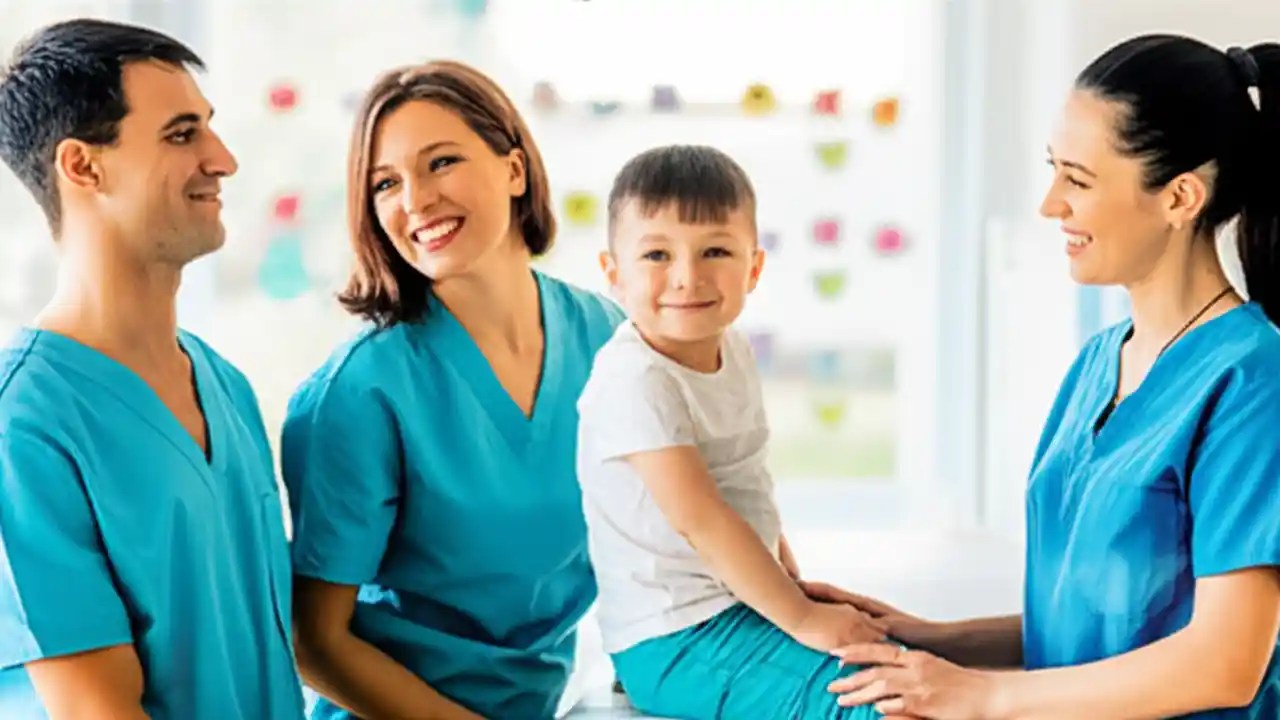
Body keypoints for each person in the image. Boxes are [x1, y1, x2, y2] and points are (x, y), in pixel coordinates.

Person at [825, 34, 1280, 719]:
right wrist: (937, 642)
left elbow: (1223, 664)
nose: (1049, 204)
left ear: (1180, 197)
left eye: (1079, 178)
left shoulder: (1252, 381)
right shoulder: (1100, 361)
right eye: (1053, 169)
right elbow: (1102, 620)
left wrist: (980, 697)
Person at [281, 60, 623, 720]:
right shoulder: (358, 394)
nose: (415, 200)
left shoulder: (606, 338)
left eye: (440, 163)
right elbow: (313, 641)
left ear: (515, 169)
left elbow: (680, 516)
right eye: (386, 183)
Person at [0, 19, 304, 720]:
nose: (222, 159)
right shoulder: (25, 424)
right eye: (181, 134)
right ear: (83, 166)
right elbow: (97, 711)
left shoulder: (222, 382)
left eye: (210, 129)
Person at [575, 144, 893, 720]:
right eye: (656, 254)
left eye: (715, 250)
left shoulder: (733, 349)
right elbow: (701, 518)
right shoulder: (634, 377)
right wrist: (802, 619)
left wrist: (783, 573)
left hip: (728, 606)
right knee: (882, 705)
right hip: (673, 637)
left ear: (753, 268)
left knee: (908, 667)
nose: (686, 277)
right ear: (614, 276)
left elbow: (742, 474)